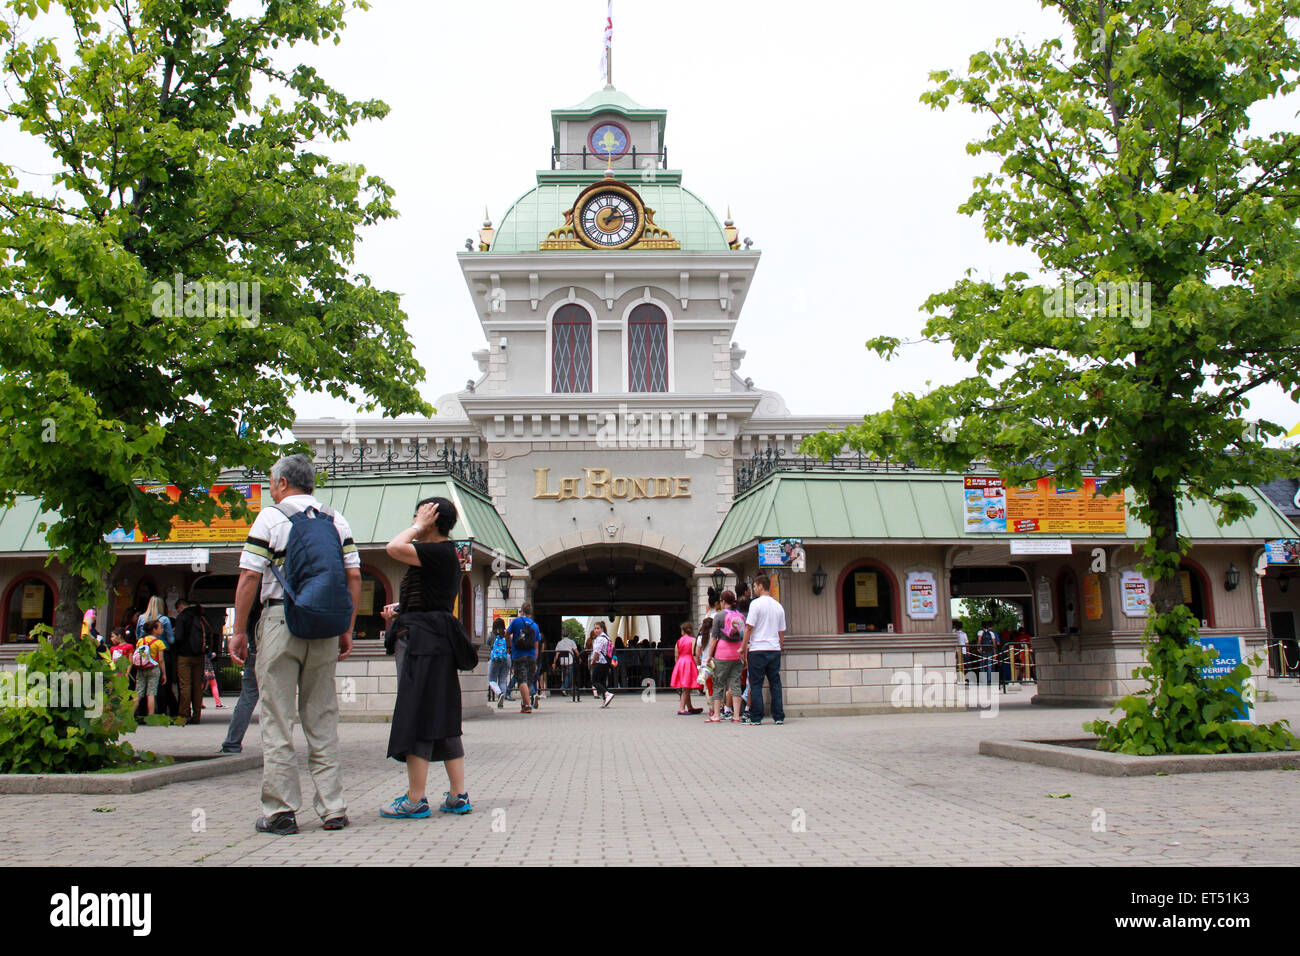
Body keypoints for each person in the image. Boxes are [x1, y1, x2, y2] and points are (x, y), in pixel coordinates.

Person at [230, 453, 359, 836]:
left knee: (278, 718)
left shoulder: (271, 517)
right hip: (324, 628)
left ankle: (281, 812)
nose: (272, 487)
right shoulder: (336, 519)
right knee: (322, 717)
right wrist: (346, 627)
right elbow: (354, 577)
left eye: (272, 481)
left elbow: (249, 577)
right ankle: (333, 808)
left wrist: (238, 629)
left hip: (279, 620)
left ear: (283, 483)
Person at [379, 497, 473, 818]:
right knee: (442, 714)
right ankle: (458, 795)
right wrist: (402, 609)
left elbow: (393, 547)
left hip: (423, 643)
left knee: (417, 712)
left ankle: (416, 798)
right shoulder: (444, 554)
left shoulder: (435, 550)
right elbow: (432, 600)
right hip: (436, 639)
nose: (414, 519)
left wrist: (417, 526)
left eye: (419, 514)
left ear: (432, 520)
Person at [739, 573, 786, 726]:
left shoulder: (756, 604)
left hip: (758, 649)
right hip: (774, 649)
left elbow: (748, 627)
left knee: (756, 683)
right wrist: (779, 646)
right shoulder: (778, 606)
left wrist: (742, 647)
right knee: (775, 683)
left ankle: (756, 717)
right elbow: (781, 632)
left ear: (760, 586)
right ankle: (778, 716)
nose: (754, 589)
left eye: (754, 586)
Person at [221, 595, 263, 754]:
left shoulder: (257, 592)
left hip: (256, 649)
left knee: (248, 696)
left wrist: (240, 634)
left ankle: (232, 743)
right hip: (287, 646)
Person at [705, 591, 746, 723]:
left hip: (722, 654)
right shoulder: (740, 615)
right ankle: (736, 715)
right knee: (735, 684)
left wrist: (709, 656)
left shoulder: (719, 616)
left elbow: (714, 638)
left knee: (718, 684)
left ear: (722, 601)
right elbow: (743, 635)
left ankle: (716, 715)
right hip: (737, 653)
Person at [137, 595, 178, 717]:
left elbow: (138, 636)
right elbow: (170, 639)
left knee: (142, 687)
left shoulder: (141, 618)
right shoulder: (164, 620)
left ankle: (140, 713)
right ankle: (161, 712)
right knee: (162, 686)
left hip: (145, 653)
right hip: (161, 653)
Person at [172, 597, 207, 725]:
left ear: (180, 607)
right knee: (198, 686)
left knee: (185, 686)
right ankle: (197, 715)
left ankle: (184, 715)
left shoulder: (182, 617)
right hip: (199, 655)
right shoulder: (200, 616)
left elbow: (179, 637)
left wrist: (175, 647)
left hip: (184, 655)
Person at [508, 602, 541, 714]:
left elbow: (507, 634)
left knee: (521, 680)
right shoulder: (535, 625)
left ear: (521, 610)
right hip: (531, 656)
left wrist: (510, 645)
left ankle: (527, 706)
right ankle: (525, 702)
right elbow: (537, 646)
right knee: (529, 681)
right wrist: (535, 661)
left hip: (518, 654)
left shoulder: (516, 621)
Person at [132, 620, 167, 715]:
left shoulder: (141, 641)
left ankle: (130, 715)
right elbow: (161, 660)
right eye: (160, 627)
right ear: (154, 630)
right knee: (151, 693)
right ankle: (150, 717)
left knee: (138, 693)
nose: (162, 629)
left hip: (141, 668)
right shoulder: (159, 643)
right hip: (153, 669)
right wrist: (164, 673)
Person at [670, 622, 701, 714]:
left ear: (683, 631)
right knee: (687, 687)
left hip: (681, 662)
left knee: (686, 685)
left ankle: (690, 707)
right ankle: (682, 708)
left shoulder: (679, 641)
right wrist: (698, 665)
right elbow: (693, 653)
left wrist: (677, 665)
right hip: (689, 662)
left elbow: (676, 655)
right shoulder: (693, 640)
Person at [487, 618, 511, 708]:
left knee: (491, 680)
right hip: (506, 658)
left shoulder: (491, 635)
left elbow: (486, 646)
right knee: (503, 680)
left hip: (495, 659)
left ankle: (499, 693)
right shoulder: (506, 635)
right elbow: (510, 647)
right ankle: (502, 701)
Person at [590, 624, 615, 707]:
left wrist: (593, 661)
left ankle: (607, 694)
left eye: (598, 628)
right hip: (606, 662)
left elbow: (597, 651)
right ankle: (605, 700)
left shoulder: (600, 639)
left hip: (600, 662)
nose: (596, 630)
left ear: (602, 629)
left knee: (595, 681)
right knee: (603, 682)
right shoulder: (607, 637)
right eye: (595, 629)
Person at [555, 627, 579, 701]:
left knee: (565, 674)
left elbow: (557, 654)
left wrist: (554, 662)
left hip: (562, 661)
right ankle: (564, 688)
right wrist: (579, 658)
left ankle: (565, 689)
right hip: (570, 661)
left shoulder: (559, 642)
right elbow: (576, 651)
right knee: (569, 676)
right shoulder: (571, 642)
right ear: (568, 634)